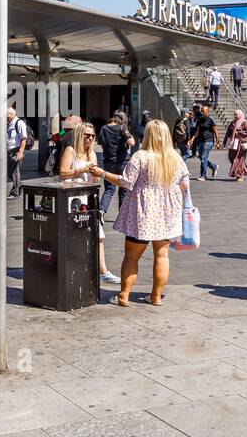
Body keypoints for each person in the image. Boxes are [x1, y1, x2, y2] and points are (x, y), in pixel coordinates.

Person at [94, 119, 190, 307]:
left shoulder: (141, 156)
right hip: (167, 213)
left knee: (131, 256)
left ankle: (123, 296)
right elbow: (185, 185)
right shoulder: (176, 158)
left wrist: (103, 173)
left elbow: (126, 182)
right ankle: (155, 296)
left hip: (143, 212)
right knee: (162, 256)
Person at [59, 122, 120, 284]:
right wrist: (82, 170)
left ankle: (102, 271)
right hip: (72, 200)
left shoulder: (91, 154)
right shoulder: (70, 151)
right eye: (87, 135)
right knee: (73, 237)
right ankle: (74, 269)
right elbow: (63, 173)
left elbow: (94, 180)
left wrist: (97, 174)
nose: (90, 138)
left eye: (92, 136)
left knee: (98, 236)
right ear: (80, 135)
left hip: (88, 199)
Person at [97, 112, 135, 216]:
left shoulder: (104, 128)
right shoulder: (122, 128)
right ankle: (122, 215)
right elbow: (132, 143)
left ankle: (102, 210)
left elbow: (101, 143)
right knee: (123, 189)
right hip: (123, 162)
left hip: (109, 162)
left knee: (109, 189)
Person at [188, 102, 218, 180]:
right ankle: (213, 166)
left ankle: (203, 175)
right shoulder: (200, 120)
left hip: (208, 141)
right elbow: (197, 131)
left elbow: (215, 131)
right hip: (200, 141)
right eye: (201, 111)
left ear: (208, 111)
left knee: (204, 157)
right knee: (202, 158)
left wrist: (218, 142)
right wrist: (192, 139)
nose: (201, 112)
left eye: (203, 111)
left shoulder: (211, 120)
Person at [223, 108, 247, 181]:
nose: (235, 116)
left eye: (236, 114)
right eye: (234, 114)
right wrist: (225, 141)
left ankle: (239, 175)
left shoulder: (245, 122)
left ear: (240, 114)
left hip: (241, 143)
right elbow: (228, 132)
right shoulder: (232, 122)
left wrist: (239, 133)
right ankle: (245, 170)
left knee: (239, 159)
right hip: (233, 143)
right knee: (231, 157)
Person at [6, 106, 28, 196]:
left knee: (15, 171)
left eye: (6, 115)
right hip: (9, 150)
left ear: (10, 115)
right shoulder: (8, 123)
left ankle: (15, 192)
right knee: (9, 172)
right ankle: (20, 186)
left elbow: (23, 138)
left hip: (16, 149)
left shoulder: (19, 123)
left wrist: (20, 152)